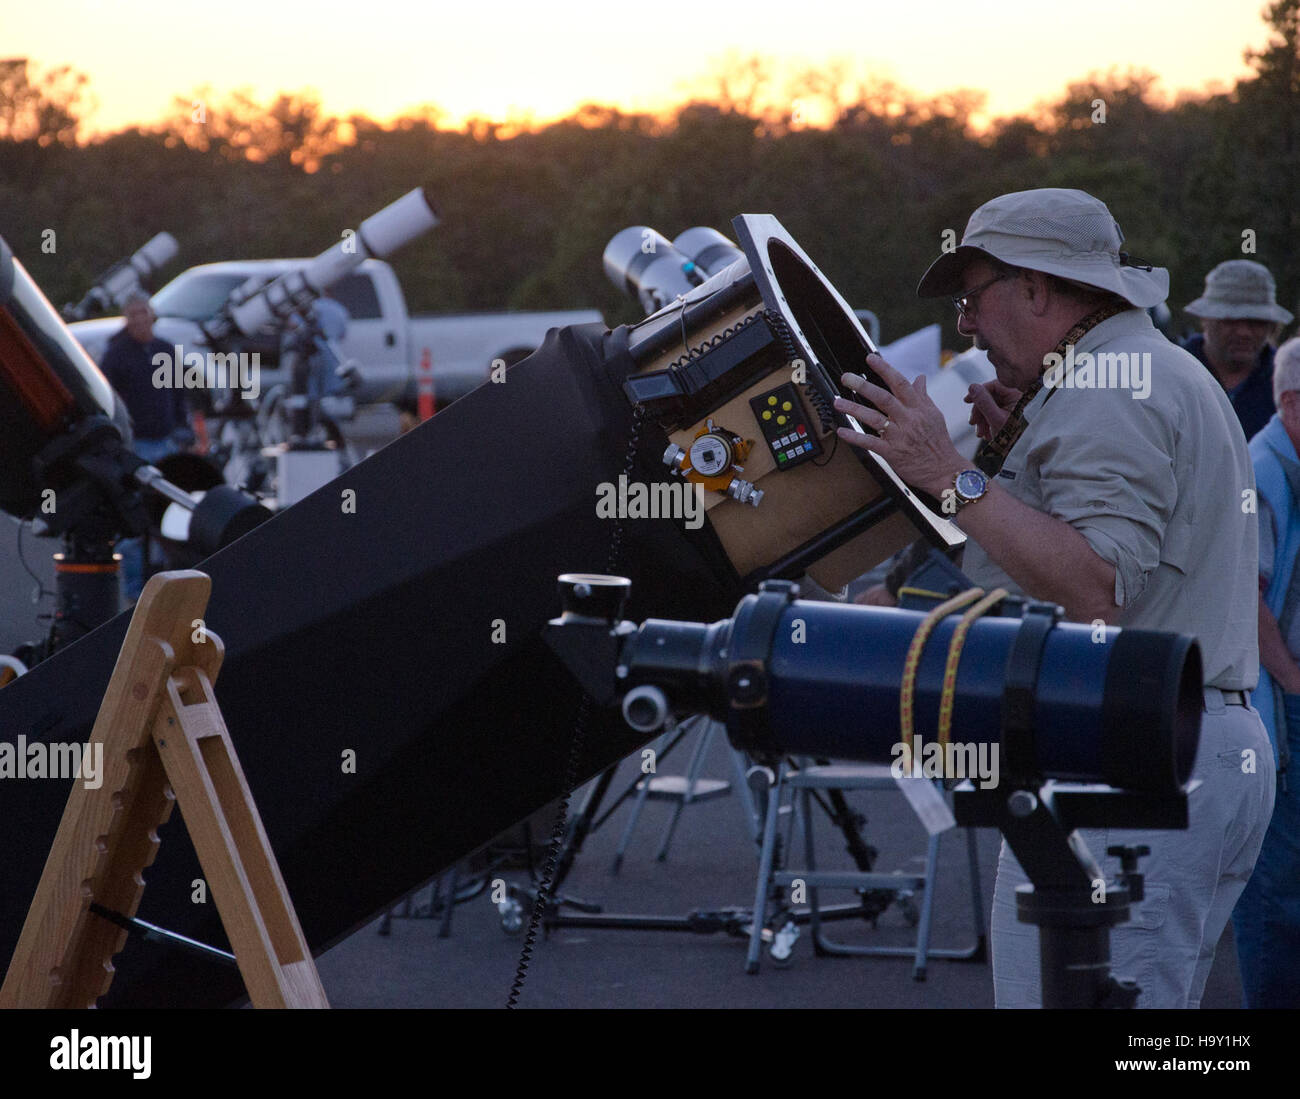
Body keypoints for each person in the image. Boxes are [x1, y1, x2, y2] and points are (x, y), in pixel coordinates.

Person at [833, 187, 1275, 1008]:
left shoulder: (1114, 387)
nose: (965, 324)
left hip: (1143, 751)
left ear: (1035, 288)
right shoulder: (1129, 369)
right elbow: (1055, 572)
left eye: (973, 298)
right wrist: (1009, 462)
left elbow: (1094, 589)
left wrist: (954, 474)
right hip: (1172, 740)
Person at [1232, 335, 1300, 1007]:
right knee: (1274, 880)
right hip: (1275, 703)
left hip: (1281, 693)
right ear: (1292, 403)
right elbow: (1245, 597)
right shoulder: (1261, 470)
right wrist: (1294, 679)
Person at [100, 293, 193, 599]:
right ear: (126, 318)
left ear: (152, 315)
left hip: (166, 442)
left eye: (144, 312)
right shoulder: (116, 355)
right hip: (135, 446)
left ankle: (172, 589)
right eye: (133, 314)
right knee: (134, 523)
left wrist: (184, 428)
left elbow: (180, 393)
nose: (139, 319)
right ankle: (135, 594)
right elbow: (106, 401)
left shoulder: (165, 350)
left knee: (170, 518)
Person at [1182, 259, 1292, 441]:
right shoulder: (1172, 374)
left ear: (1272, 326)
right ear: (1206, 319)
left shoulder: (1288, 385)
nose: (1244, 332)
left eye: (1256, 322)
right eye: (1231, 320)